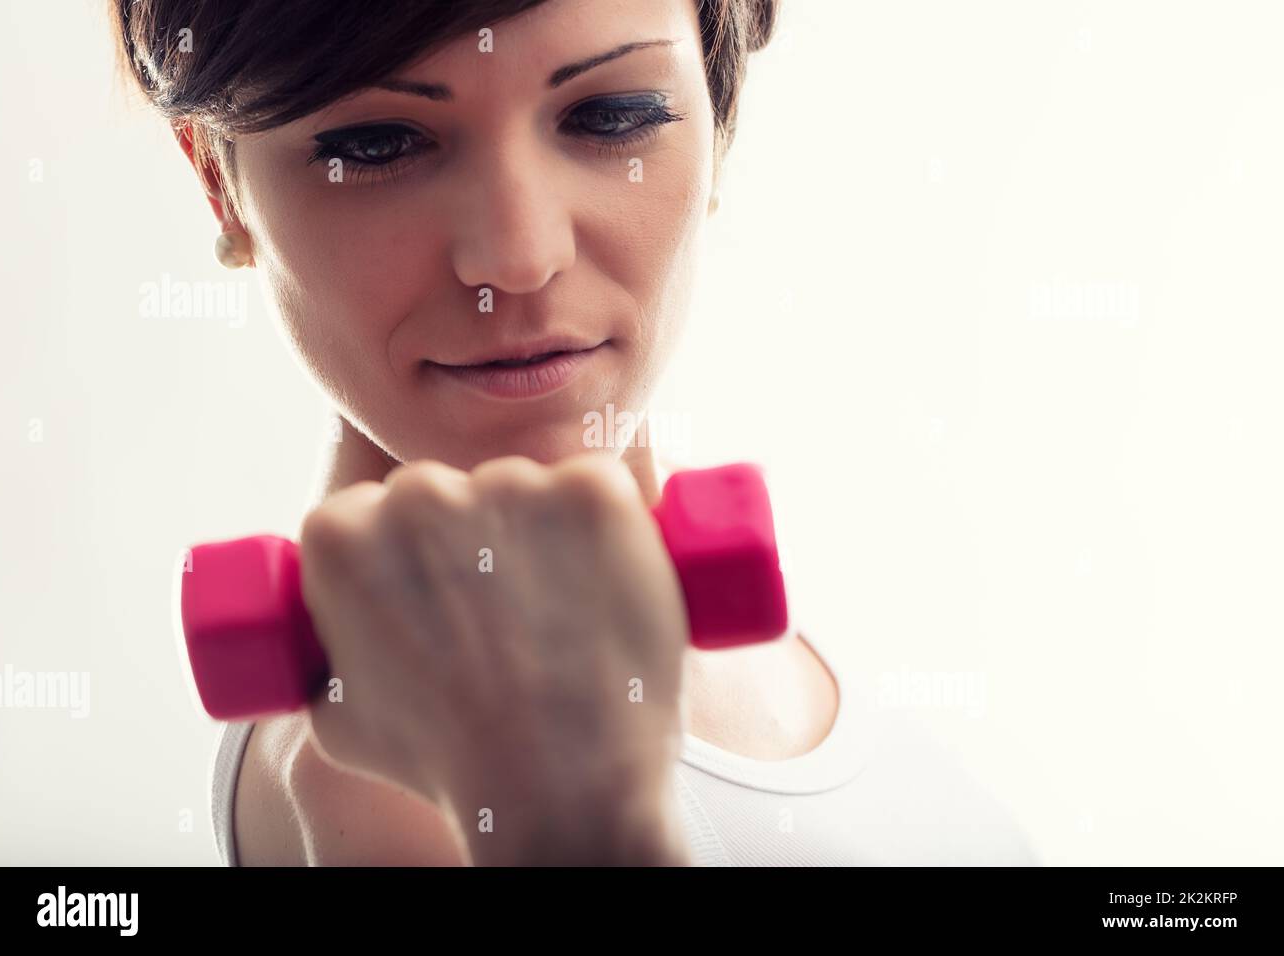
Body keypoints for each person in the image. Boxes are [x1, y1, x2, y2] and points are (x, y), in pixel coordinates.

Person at [111, 0, 1038, 866]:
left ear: (718, 116)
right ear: (215, 182)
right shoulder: (383, 779)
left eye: (612, 116)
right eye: (378, 142)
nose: (517, 257)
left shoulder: (734, 591)